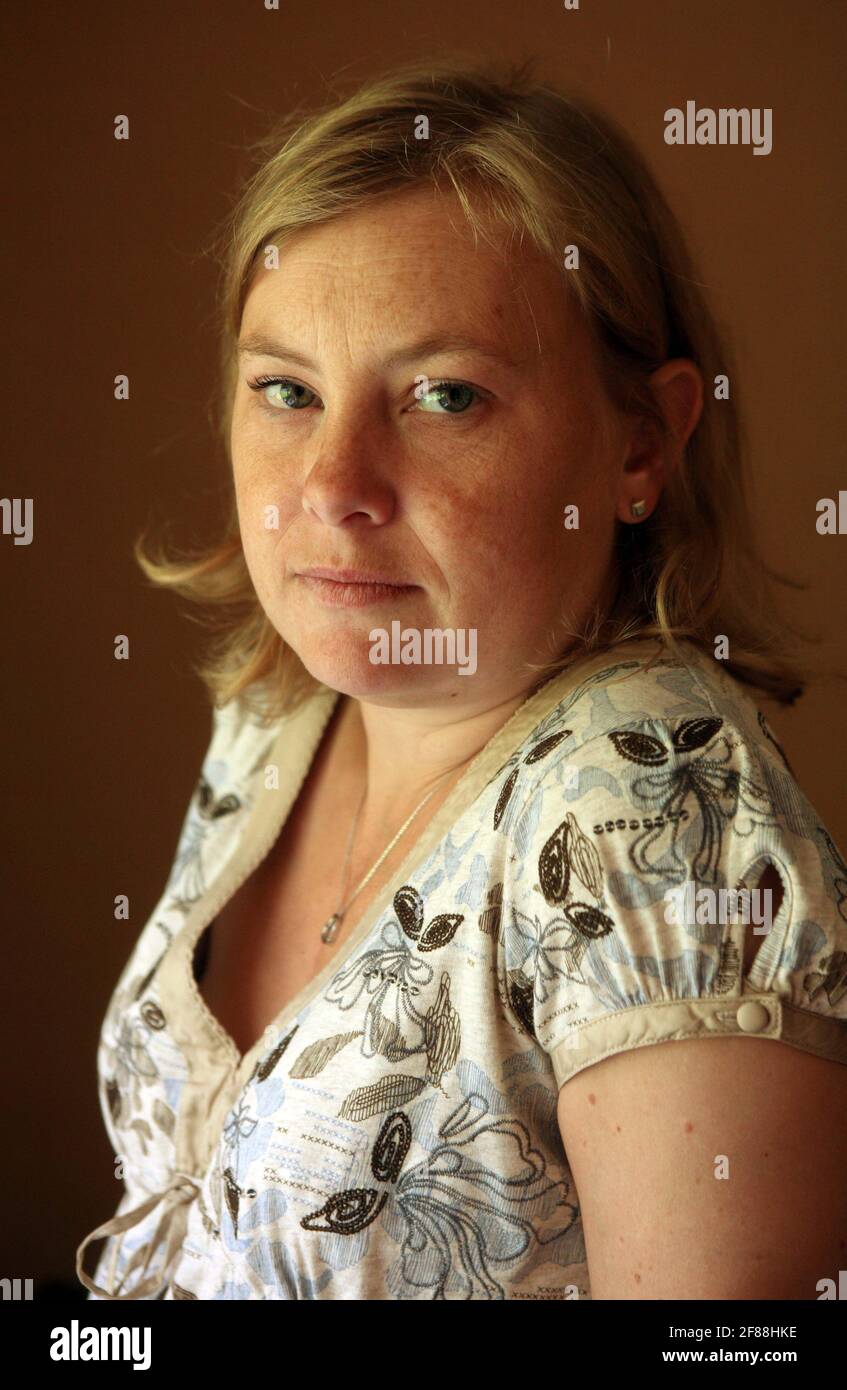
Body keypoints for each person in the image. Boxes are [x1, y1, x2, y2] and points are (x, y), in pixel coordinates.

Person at [76, 58, 847, 1301]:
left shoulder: (648, 812)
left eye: (444, 396)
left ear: (640, 443)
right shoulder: (278, 715)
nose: (331, 484)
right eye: (286, 390)